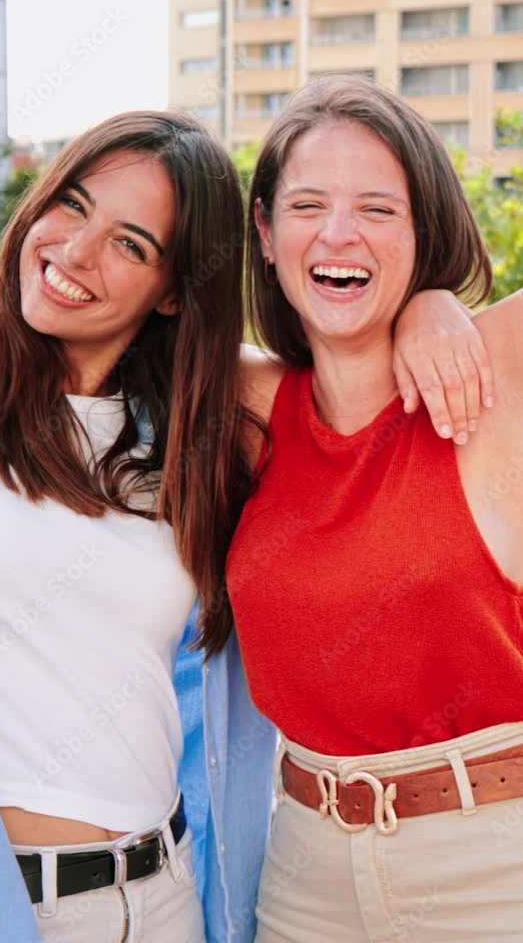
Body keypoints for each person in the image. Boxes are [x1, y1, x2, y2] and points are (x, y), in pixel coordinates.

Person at [0, 105, 493, 943]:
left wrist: (430, 303)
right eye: (70, 203)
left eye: (132, 244)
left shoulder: (209, 426)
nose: (77, 252)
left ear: (175, 288)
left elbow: (338, 366)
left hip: (164, 892)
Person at [225, 75, 523, 942]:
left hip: (494, 864)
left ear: (423, 230)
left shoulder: (499, 369)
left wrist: (441, 303)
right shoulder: (241, 405)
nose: (338, 232)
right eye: (307, 204)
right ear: (266, 236)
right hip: (303, 869)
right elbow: (28, 333)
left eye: (378, 210)